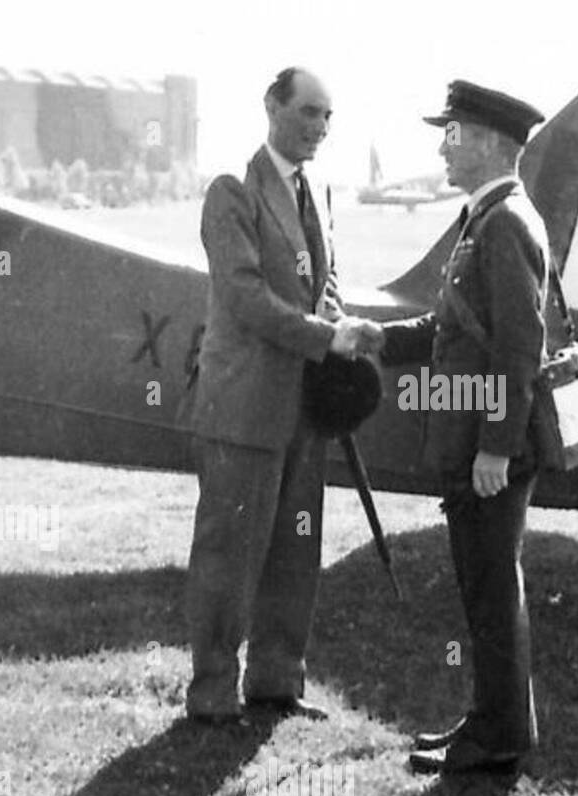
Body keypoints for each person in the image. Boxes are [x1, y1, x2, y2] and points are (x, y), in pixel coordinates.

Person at [180, 66, 380, 726]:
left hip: (303, 411)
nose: (319, 127)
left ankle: (276, 681)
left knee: (295, 549)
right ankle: (212, 690)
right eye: (308, 113)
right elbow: (243, 298)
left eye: (328, 116)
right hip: (244, 410)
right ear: (271, 108)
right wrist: (329, 337)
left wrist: (336, 325)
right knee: (230, 552)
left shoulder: (318, 192)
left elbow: (327, 286)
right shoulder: (232, 192)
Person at [379, 81, 548, 774]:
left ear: (487, 142)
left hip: (489, 445)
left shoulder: (504, 222)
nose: (442, 146)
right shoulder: (490, 216)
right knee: (485, 585)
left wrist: (496, 448)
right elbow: (454, 329)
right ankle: (491, 721)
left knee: (490, 585)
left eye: (451, 133)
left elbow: (518, 347)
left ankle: (501, 736)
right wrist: (374, 339)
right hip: (476, 438)